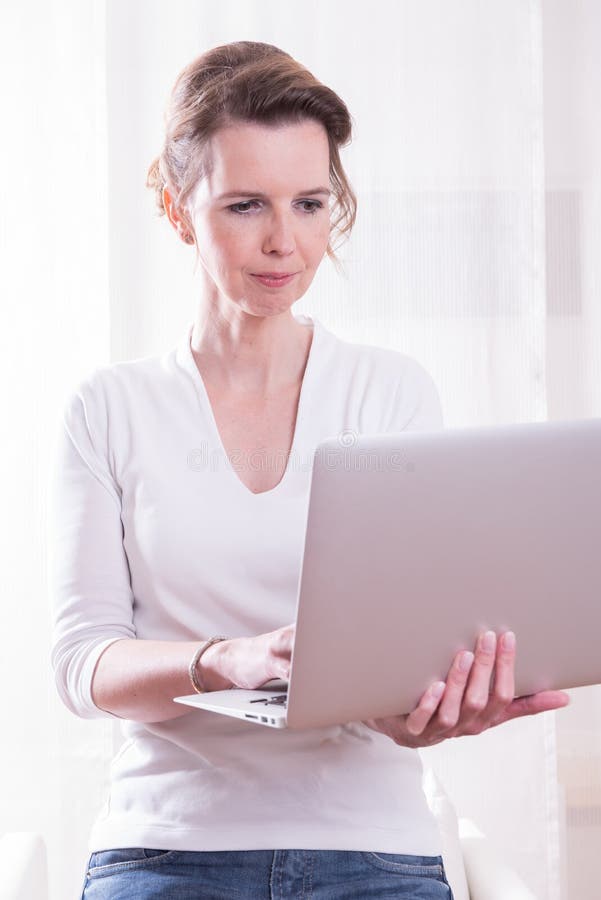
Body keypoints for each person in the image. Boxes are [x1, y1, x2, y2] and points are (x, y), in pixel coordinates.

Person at [49, 40, 569, 900]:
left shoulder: (388, 392)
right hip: (166, 850)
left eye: (310, 203)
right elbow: (83, 665)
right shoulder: (108, 408)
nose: (284, 242)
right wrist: (221, 659)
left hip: (370, 850)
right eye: (246, 204)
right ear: (180, 211)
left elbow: (394, 675)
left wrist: (431, 716)